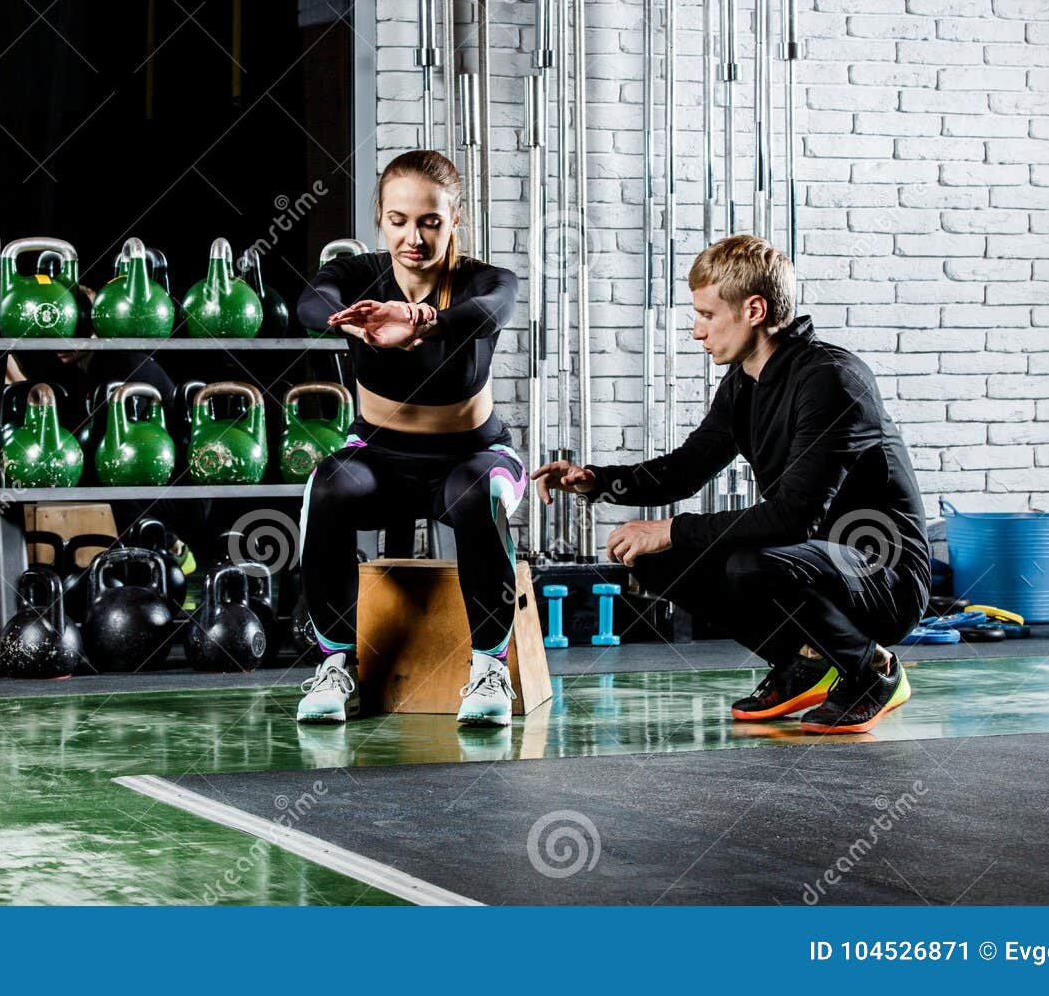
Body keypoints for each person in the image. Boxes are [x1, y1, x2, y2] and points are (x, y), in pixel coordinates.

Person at [533, 235, 930, 735]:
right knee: (651, 557)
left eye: (707, 314)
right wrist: (595, 481)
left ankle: (873, 670)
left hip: (883, 574)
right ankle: (804, 661)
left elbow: (793, 517)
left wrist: (672, 528)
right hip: (811, 562)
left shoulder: (832, 379)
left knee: (749, 563)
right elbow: (685, 469)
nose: (697, 331)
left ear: (754, 310)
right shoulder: (745, 383)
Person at [293, 150, 525, 726]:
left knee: (477, 493)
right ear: (380, 216)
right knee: (327, 487)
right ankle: (335, 665)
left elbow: (488, 313)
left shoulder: (485, 281)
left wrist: (423, 320)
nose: (413, 238)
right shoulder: (358, 277)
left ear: (455, 219)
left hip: (474, 458)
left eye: (430, 222)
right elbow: (311, 303)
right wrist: (354, 320)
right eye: (398, 221)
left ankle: (489, 669)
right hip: (380, 459)